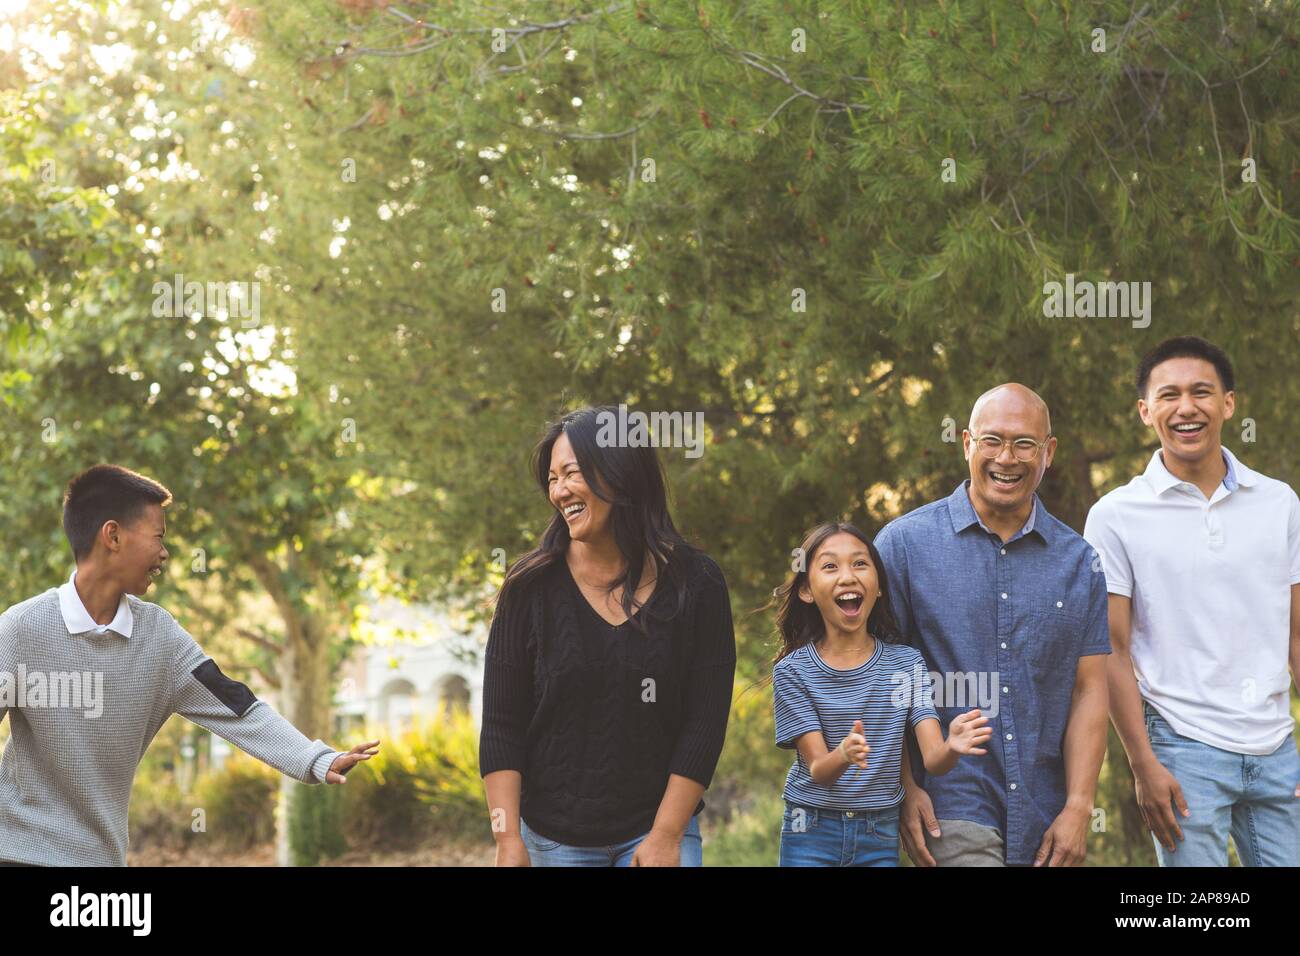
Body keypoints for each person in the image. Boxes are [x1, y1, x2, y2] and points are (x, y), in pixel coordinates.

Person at [0, 464, 378, 866]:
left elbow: (237, 706)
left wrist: (313, 758)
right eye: (158, 537)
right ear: (112, 536)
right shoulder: (21, 631)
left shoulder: (159, 638)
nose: (164, 553)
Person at [479, 405, 737, 866]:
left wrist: (665, 835)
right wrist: (506, 839)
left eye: (571, 473)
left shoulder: (697, 582)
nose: (559, 491)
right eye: (552, 479)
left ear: (620, 473)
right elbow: (502, 725)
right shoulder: (529, 588)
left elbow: (705, 721)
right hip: (553, 840)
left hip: (659, 829)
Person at [1084, 335, 1300, 866]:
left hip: (1277, 749)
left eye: (1202, 392)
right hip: (1182, 748)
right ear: (1146, 411)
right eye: (1169, 395)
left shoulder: (1279, 503)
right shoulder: (1115, 515)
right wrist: (1142, 763)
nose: (1186, 407)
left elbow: (1296, 633)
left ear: (1228, 403)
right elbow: (1111, 647)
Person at [876, 383, 1110, 866]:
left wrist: (1079, 806)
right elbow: (877, 677)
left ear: (1049, 452)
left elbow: (1090, 689)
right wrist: (904, 786)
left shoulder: (1079, 562)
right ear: (967, 444)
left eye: (1025, 443)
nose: (1008, 457)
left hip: (1046, 812)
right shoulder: (904, 546)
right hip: (951, 804)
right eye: (992, 441)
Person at [771, 522, 991, 867]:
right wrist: (843, 753)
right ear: (806, 591)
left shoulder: (906, 664)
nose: (847, 576)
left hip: (879, 832)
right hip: (811, 829)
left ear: (878, 589)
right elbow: (817, 769)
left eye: (860, 563)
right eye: (830, 566)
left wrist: (952, 746)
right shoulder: (793, 671)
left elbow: (933, 758)